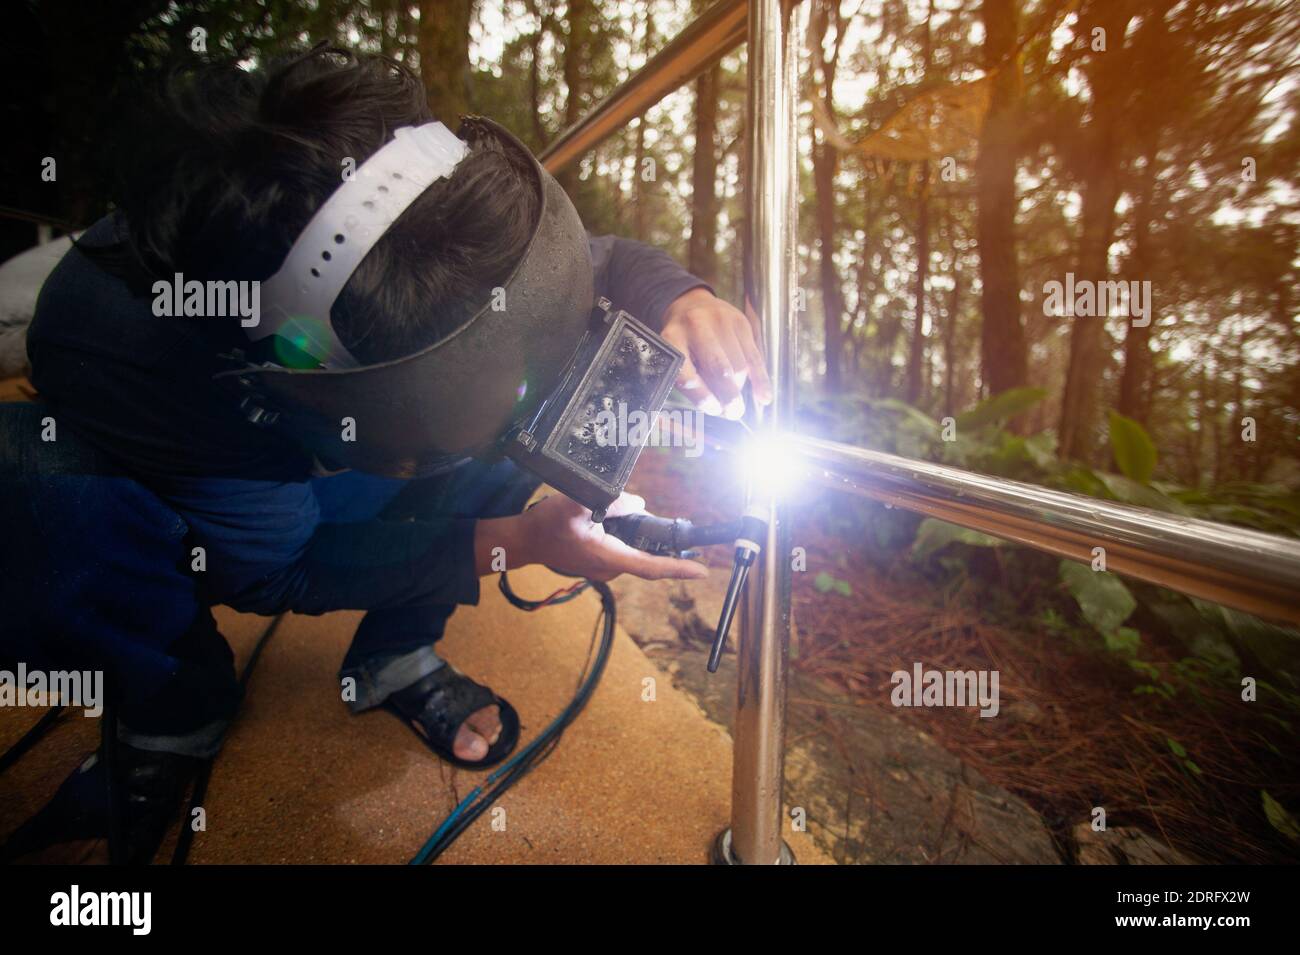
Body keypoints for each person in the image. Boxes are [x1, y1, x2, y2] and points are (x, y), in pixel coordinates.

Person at [0, 46, 771, 861]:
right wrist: (523, 540)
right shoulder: (125, 356)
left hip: (345, 441)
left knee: (524, 412)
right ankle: (174, 709)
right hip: (216, 486)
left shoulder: (418, 212)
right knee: (32, 478)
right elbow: (279, 569)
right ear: (305, 366)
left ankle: (394, 654)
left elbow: (591, 263)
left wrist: (680, 295)